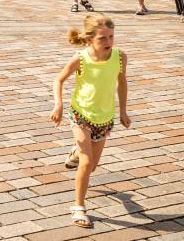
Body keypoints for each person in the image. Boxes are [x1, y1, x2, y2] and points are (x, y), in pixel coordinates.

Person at [50, 14, 131, 230]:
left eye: (111, 37)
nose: (109, 42)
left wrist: (123, 111)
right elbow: (59, 79)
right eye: (102, 38)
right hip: (81, 114)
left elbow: (122, 84)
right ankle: (78, 207)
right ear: (89, 40)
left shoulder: (120, 57)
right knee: (86, 164)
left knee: (92, 166)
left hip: (104, 118)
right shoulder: (80, 58)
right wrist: (58, 105)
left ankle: (75, 152)